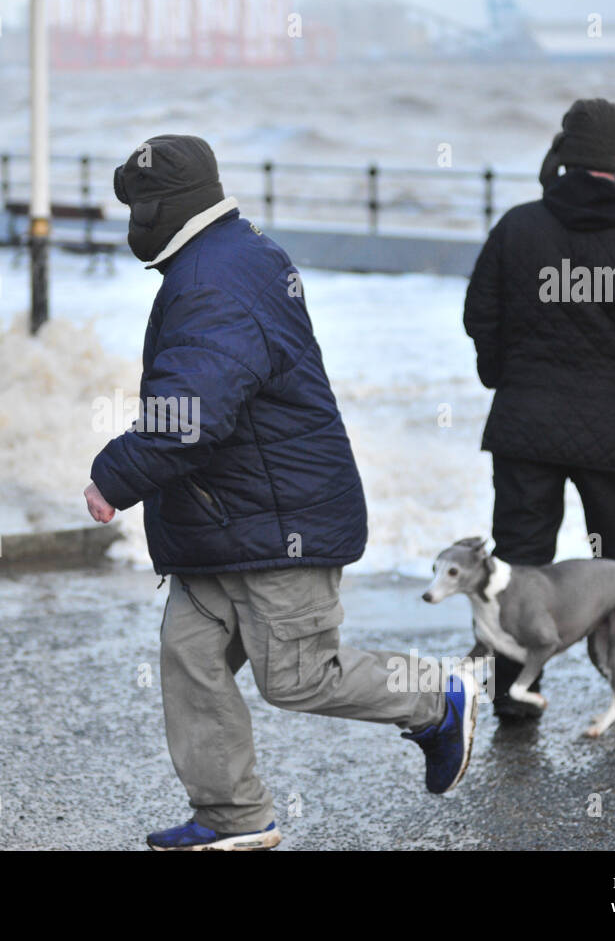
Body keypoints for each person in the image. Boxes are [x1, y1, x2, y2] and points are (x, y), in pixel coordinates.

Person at [85, 134, 477, 851]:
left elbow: (193, 412)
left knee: (299, 674)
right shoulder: (237, 251)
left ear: (163, 208)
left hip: (277, 519)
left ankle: (436, 694)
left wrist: (116, 473)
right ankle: (234, 816)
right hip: (224, 517)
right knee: (188, 653)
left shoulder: (211, 280)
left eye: (138, 206)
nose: (131, 220)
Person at [463, 99, 615, 720]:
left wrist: (501, 377)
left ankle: (515, 692)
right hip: (612, 430)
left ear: (562, 157)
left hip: (524, 425)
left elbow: (479, 314)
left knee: (518, 557)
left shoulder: (518, 229)